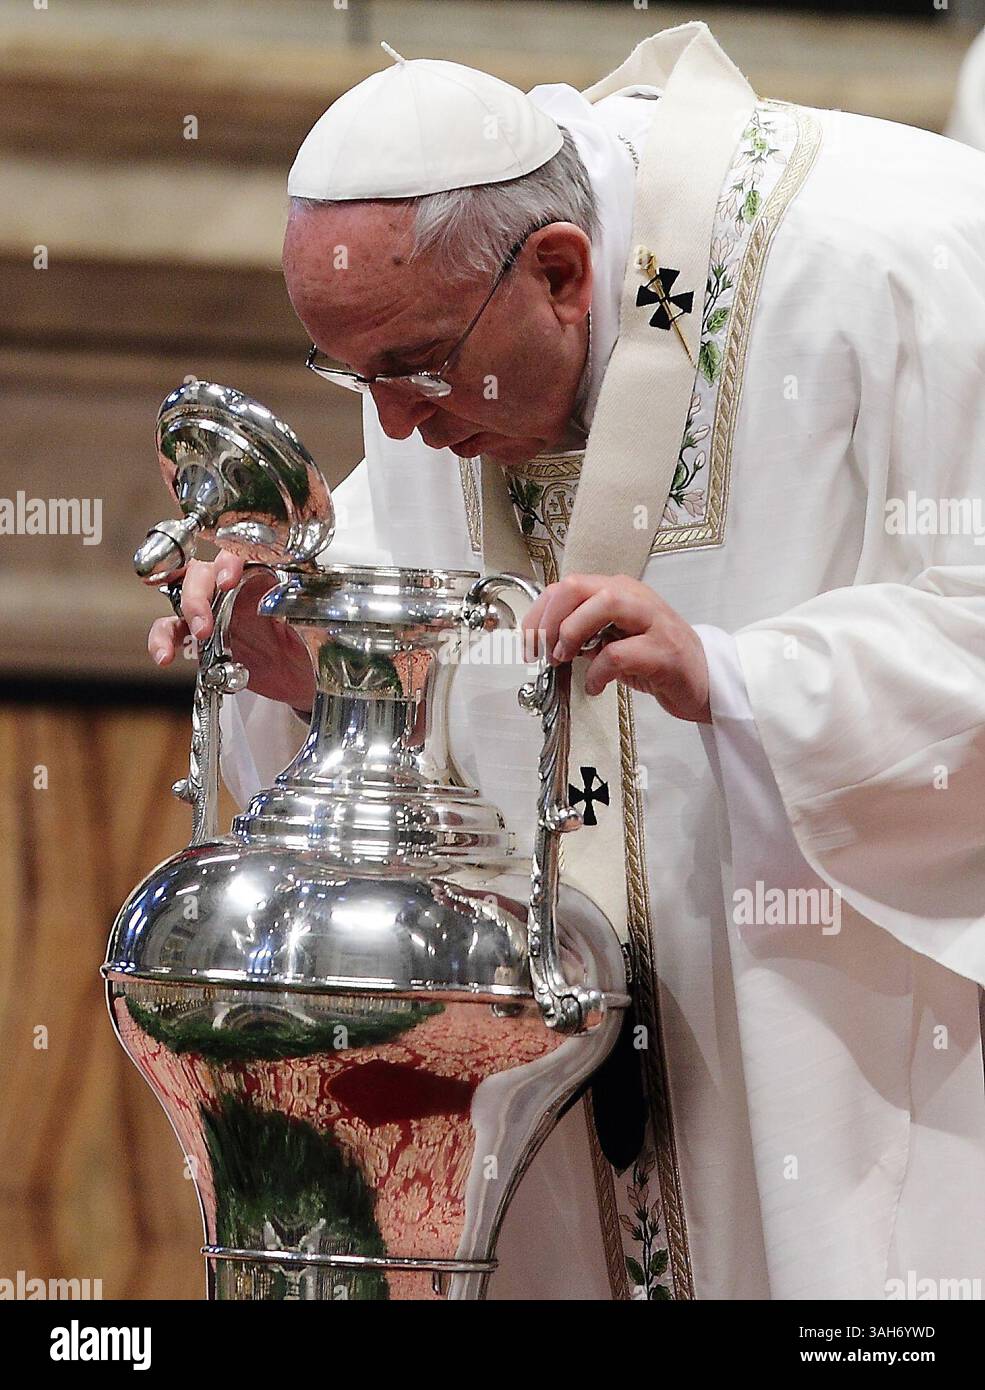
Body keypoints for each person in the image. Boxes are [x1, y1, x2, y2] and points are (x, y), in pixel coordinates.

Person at [147, 23, 985, 1300]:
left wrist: (749, 682)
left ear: (561, 272)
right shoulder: (441, 326)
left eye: (414, 372)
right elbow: (408, 632)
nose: (394, 426)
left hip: (843, 1061)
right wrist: (303, 652)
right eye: (351, 374)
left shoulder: (903, 254)